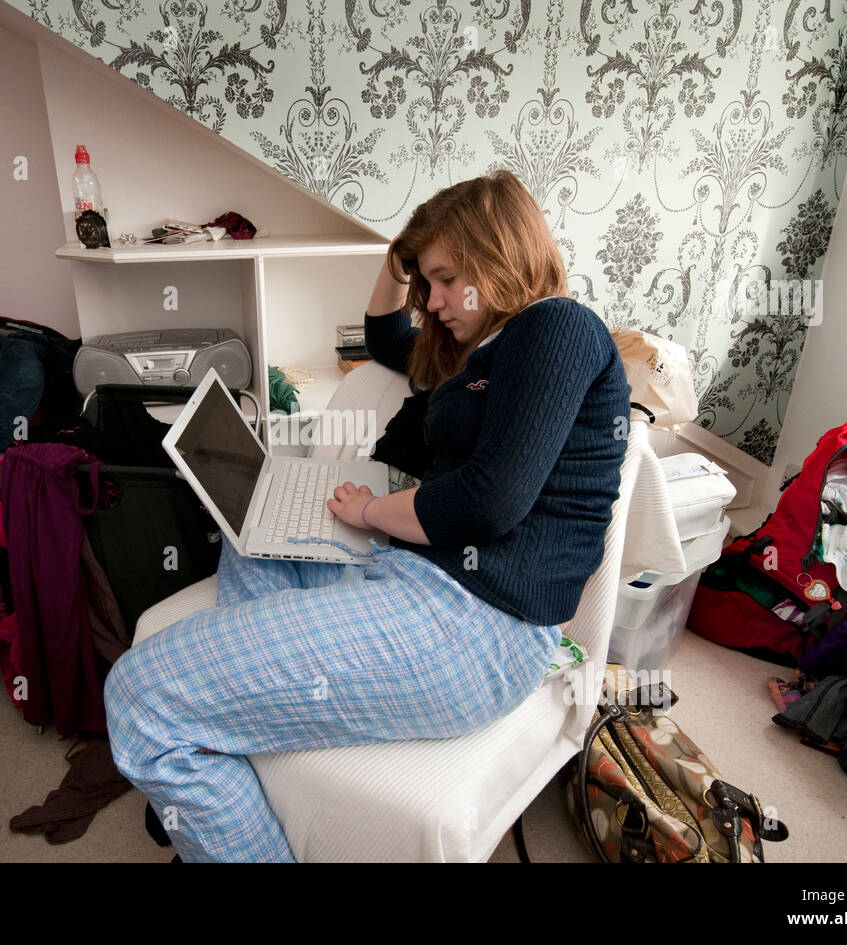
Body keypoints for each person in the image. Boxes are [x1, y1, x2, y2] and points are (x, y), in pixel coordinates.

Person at [104, 170, 630, 862]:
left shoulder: (557, 325)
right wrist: (402, 255)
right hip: (413, 580)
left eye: (444, 280)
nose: (433, 301)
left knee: (138, 697)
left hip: (476, 626)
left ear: (498, 255)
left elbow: (489, 500)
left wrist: (372, 509)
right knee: (255, 534)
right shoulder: (479, 353)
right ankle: (244, 698)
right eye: (425, 283)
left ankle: (225, 713)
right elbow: (384, 336)